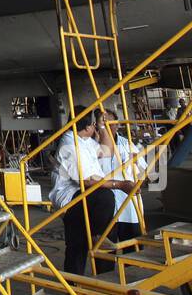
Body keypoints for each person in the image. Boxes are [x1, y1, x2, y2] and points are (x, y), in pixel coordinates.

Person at [51, 108, 138, 276]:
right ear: (86, 126)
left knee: (101, 235)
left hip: (85, 197)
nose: (95, 128)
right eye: (93, 124)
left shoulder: (85, 140)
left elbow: (108, 150)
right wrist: (119, 185)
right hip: (70, 200)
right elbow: (87, 181)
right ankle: (74, 283)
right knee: (104, 198)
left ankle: (104, 276)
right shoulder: (69, 144)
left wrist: (103, 126)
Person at [96, 108, 146, 243]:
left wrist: (136, 161)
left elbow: (144, 170)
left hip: (128, 204)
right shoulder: (92, 147)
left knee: (133, 247)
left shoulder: (127, 145)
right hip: (105, 206)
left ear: (118, 125)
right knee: (106, 250)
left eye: (112, 123)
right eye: (104, 123)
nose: (109, 127)